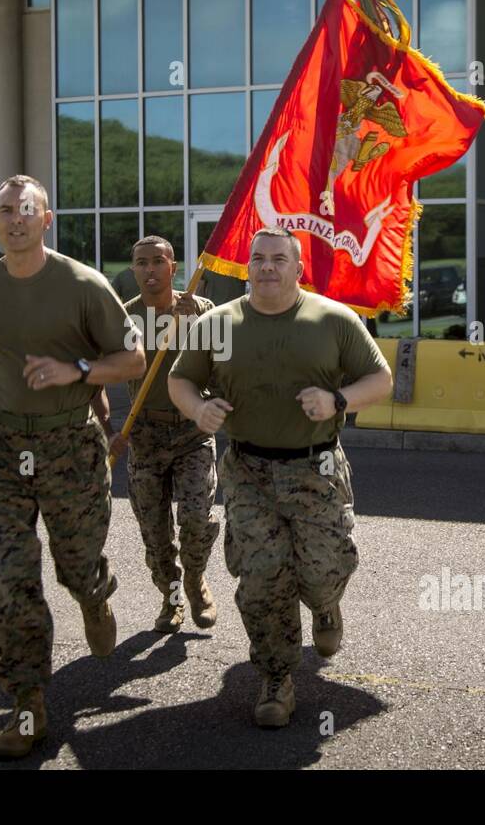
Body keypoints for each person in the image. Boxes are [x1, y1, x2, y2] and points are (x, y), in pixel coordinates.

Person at [0, 174, 147, 759]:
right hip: (0, 444)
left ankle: (95, 596)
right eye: (5, 210)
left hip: (70, 444)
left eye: (26, 210)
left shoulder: (83, 285)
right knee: (12, 572)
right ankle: (28, 705)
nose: (14, 219)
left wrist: (76, 369)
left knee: (75, 566)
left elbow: (133, 359)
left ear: (45, 219)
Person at [168, 227, 393, 729]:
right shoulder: (218, 324)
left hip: (317, 467)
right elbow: (179, 379)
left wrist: (337, 401)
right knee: (263, 575)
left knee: (321, 569)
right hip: (248, 469)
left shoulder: (332, 319)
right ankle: (275, 678)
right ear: (247, 267)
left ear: (298, 269)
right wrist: (198, 409)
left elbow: (380, 380)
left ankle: (326, 604)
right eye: (258, 259)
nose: (267, 267)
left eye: (278, 259)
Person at [107, 236, 219, 634]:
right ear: (133, 270)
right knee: (154, 532)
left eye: (159, 261)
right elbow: (106, 373)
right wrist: (108, 429)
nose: (150, 270)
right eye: (141, 263)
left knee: (195, 520)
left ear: (174, 268)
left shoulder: (201, 311)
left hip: (191, 432)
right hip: (145, 436)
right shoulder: (126, 317)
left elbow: (221, 368)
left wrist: (192, 326)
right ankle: (171, 599)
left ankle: (195, 580)